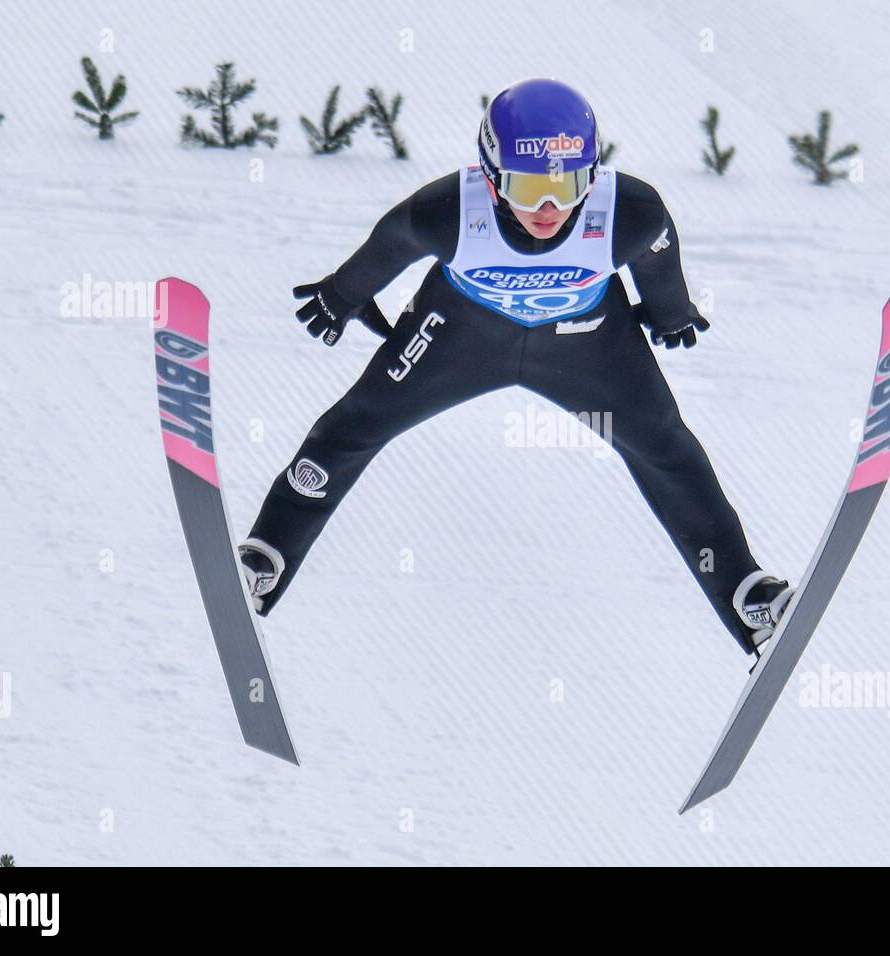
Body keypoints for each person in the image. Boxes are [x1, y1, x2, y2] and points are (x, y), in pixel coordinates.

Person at [239, 77, 793, 657]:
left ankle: (746, 594)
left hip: (584, 346)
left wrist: (671, 311)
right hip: (460, 336)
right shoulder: (450, 210)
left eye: (570, 185)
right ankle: (265, 556)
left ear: (594, 174)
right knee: (354, 426)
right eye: (529, 190)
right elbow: (390, 244)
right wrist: (343, 293)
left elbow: (659, 256)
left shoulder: (628, 212)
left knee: (664, 450)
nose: (550, 209)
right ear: (491, 176)